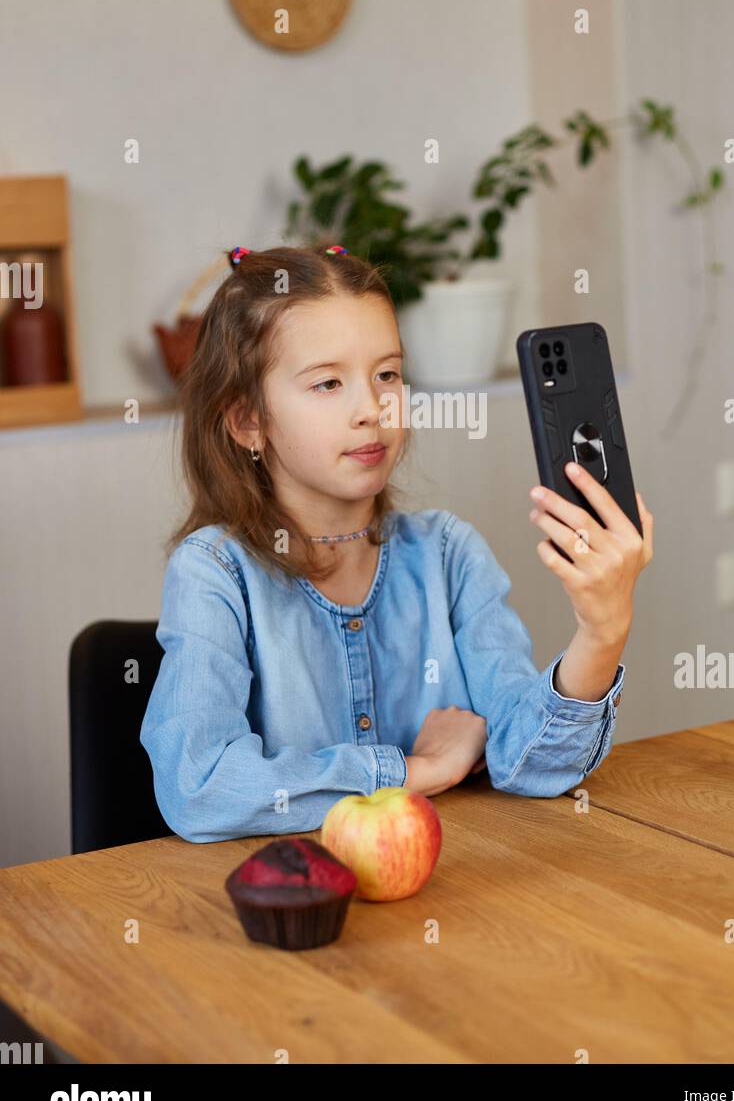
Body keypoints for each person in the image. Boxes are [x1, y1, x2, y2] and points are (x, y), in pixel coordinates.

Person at [140, 244, 654, 842]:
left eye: (387, 374)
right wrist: (418, 770)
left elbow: (530, 763)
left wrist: (602, 631)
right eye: (328, 383)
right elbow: (199, 788)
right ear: (248, 421)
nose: (372, 408)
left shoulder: (449, 554)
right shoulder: (213, 574)